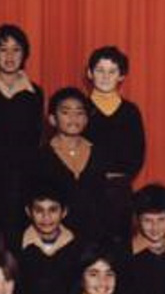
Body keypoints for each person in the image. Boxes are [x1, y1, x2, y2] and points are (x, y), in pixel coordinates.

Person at [0, 24, 44, 247]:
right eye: (3, 49)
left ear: (25, 54)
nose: (9, 56)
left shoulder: (35, 93)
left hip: (22, 180)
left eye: (16, 49)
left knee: (18, 241)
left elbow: (36, 137)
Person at [30, 87, 115, 244]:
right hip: (55, 240)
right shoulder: (39, 157)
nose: (73, 118)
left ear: (86, 119)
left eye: (79, 113)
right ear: (52, 119)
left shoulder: (99, 153)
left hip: (95, 239)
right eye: (66, 112)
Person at [84, 46, 146, 245]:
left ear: (122, 76)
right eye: (100, 70)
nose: (105, 76)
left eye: (112, 71)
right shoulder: (80, 109)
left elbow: (138, 153)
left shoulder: (130, 111)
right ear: (90, 73)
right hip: (86, 188)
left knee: (119, 246)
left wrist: (118, 178)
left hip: (119, 189)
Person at [16, 180, 84, 294]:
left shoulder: (79, 249)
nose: (46, 217)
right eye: (39, 210)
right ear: (28, 212)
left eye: (53, 210)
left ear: (64, 212)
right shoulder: (16, 249)